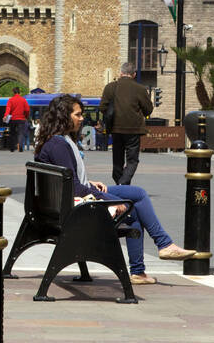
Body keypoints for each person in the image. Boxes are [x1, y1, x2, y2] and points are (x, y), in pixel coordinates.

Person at [35, 93, 195, 286]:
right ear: (63, 116)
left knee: (138, 193)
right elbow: (74, 187)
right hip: (74, 207)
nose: (82, 118)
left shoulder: (60, 140)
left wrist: (91, 183)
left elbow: (70, 179)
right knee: (132, 209)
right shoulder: (58, 144)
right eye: (77, 114)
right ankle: (146, 263)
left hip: (68, 199)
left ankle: (162, 247)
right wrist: (107, 198)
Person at [100, 62, 153, 184]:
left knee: (117, 159)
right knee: (132, 160)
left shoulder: (110, 87)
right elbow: (148, 109)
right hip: (133, 129)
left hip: (115, 128)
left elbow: (103, 107)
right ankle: (123, 183)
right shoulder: (140, 89)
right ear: (134, 74)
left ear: (121, 73)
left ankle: (119, 181)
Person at [3, 87, 30, 152]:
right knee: (21, 133)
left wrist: (5, 116)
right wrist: (26, 116)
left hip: (13, 119)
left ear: (13, 92)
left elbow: (8, 109)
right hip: (21, 119)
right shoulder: (23, 100)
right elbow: (27, 109)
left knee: (12, 133)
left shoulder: (11, 100)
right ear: (19, 92)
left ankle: (12, 147)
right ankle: (20, 146)